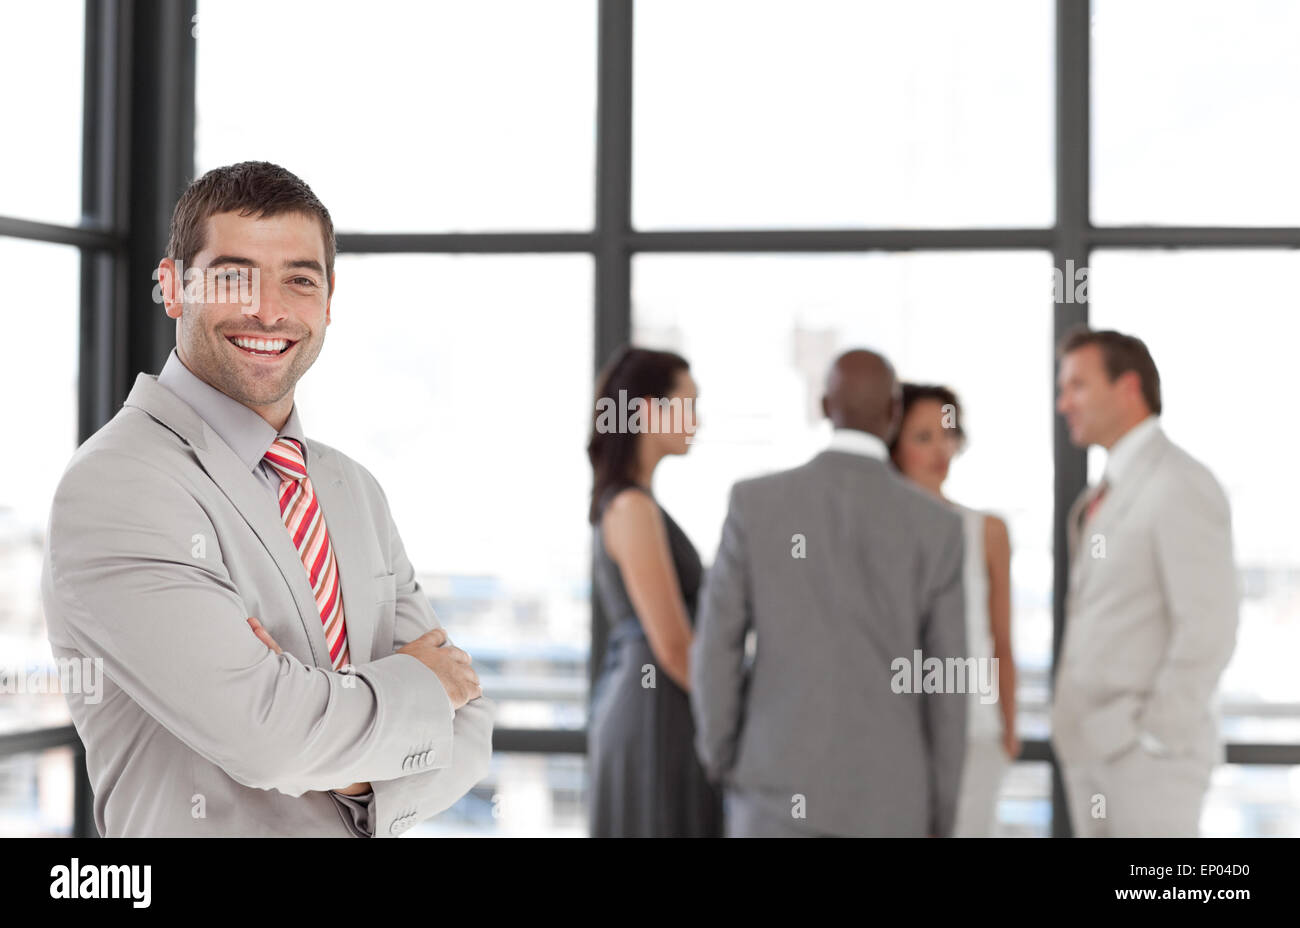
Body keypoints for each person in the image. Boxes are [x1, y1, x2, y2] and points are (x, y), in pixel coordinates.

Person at [40, 161, 495, 837]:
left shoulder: (353, 489)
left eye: (299, 280)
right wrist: (410, 698)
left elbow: (470, 734)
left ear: (330, 298)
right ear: (172, 286)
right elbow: (269, 740)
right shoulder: (119, 485)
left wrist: (318, 728)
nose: (270, 309)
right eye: (234, 276)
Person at [692, 348, 968, 837]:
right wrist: (939, 812)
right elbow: (946, 686)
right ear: (893, 412)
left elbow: (716, 647)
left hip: (771, 795)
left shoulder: (755, 505)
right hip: (892, 805)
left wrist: (724, 759)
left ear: (824, 406)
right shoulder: (937, 528)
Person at [1052, 326, 1238, 837]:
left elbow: (1210, 625)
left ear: (1128, 387)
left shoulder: (1180, 484)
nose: (1064, 403)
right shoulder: (1104, 492)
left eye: (1077, 386)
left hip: (1148, 760)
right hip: (1093, 749)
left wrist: (1155, 735)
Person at [586, 346, 724, 837]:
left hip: (657, 711)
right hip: (653, 715)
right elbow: (675, 647)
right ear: (648, 409)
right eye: (689, 402)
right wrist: (741, 713)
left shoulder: (631, 503)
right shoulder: (632, 508)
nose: (698, 420)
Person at [889, 383, 1018, 838]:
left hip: (974, 732)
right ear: (894, 442)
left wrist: (1007, 732)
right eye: (922, 437)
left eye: (947, 434)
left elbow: (1001, 638)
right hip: (892, 735)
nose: (940, 449)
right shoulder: (876, 529)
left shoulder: (986, 530)